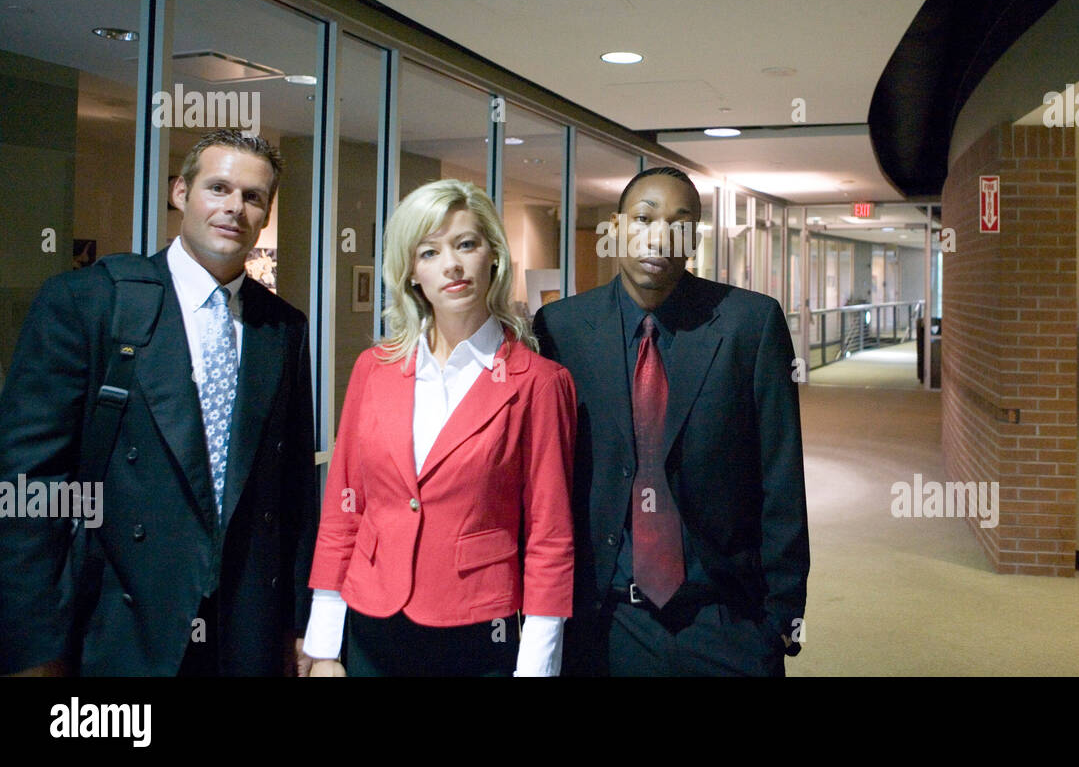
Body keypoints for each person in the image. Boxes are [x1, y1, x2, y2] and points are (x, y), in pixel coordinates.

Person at [0, 129, 317, 676]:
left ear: (265, 215)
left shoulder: (282, 328)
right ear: (180, 193)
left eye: (253, 197)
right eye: (218, 188)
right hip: (118, 625)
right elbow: (29, 484)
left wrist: (300, 625)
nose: (234, 208)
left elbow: (291, 495)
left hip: (242, 632)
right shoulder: (90, 302)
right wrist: (34, 648)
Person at [533, 166, 810, 676]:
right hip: (604, 617)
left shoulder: (750, 323)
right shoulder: (561, 328)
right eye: (643, 218)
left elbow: (781, 473)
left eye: (680, 223)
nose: (659, 236)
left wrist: (780, 618)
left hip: (724, 615)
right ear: (614, 229)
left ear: (694, 241)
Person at [304, 179, 575, 676]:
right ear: (411, 272)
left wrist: (537, 667)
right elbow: (345, 507)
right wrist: (322, 647)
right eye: (429, 251)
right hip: (371, 623)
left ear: (493, 255)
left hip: (476, 628)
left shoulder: (539, 382)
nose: (451, 264)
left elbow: (549, 535)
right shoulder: (374, 368)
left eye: (466, 244)